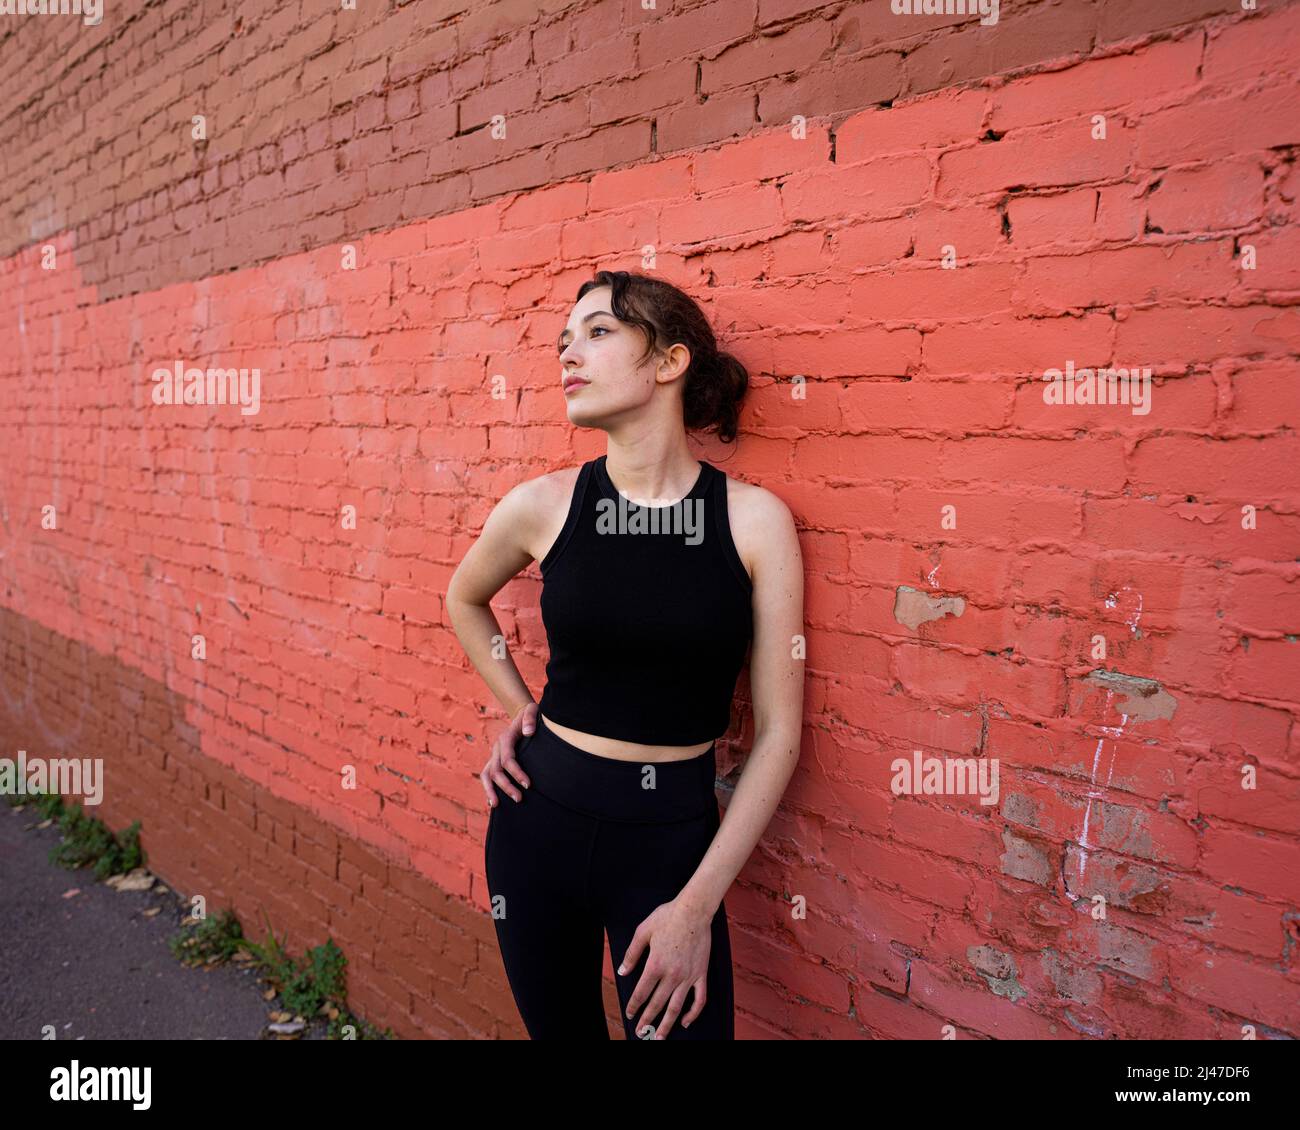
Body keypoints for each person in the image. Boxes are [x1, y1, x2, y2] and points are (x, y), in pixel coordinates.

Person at [447, 269, 804, 1040]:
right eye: (563, 342)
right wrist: (522, 711)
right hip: (534, 825)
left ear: (669, 362)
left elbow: (778, 733)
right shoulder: (542, 505)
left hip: (671, 845)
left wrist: (696, 908)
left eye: (599, 332)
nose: (569, 354)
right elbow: (463, 599)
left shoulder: (753, 522)